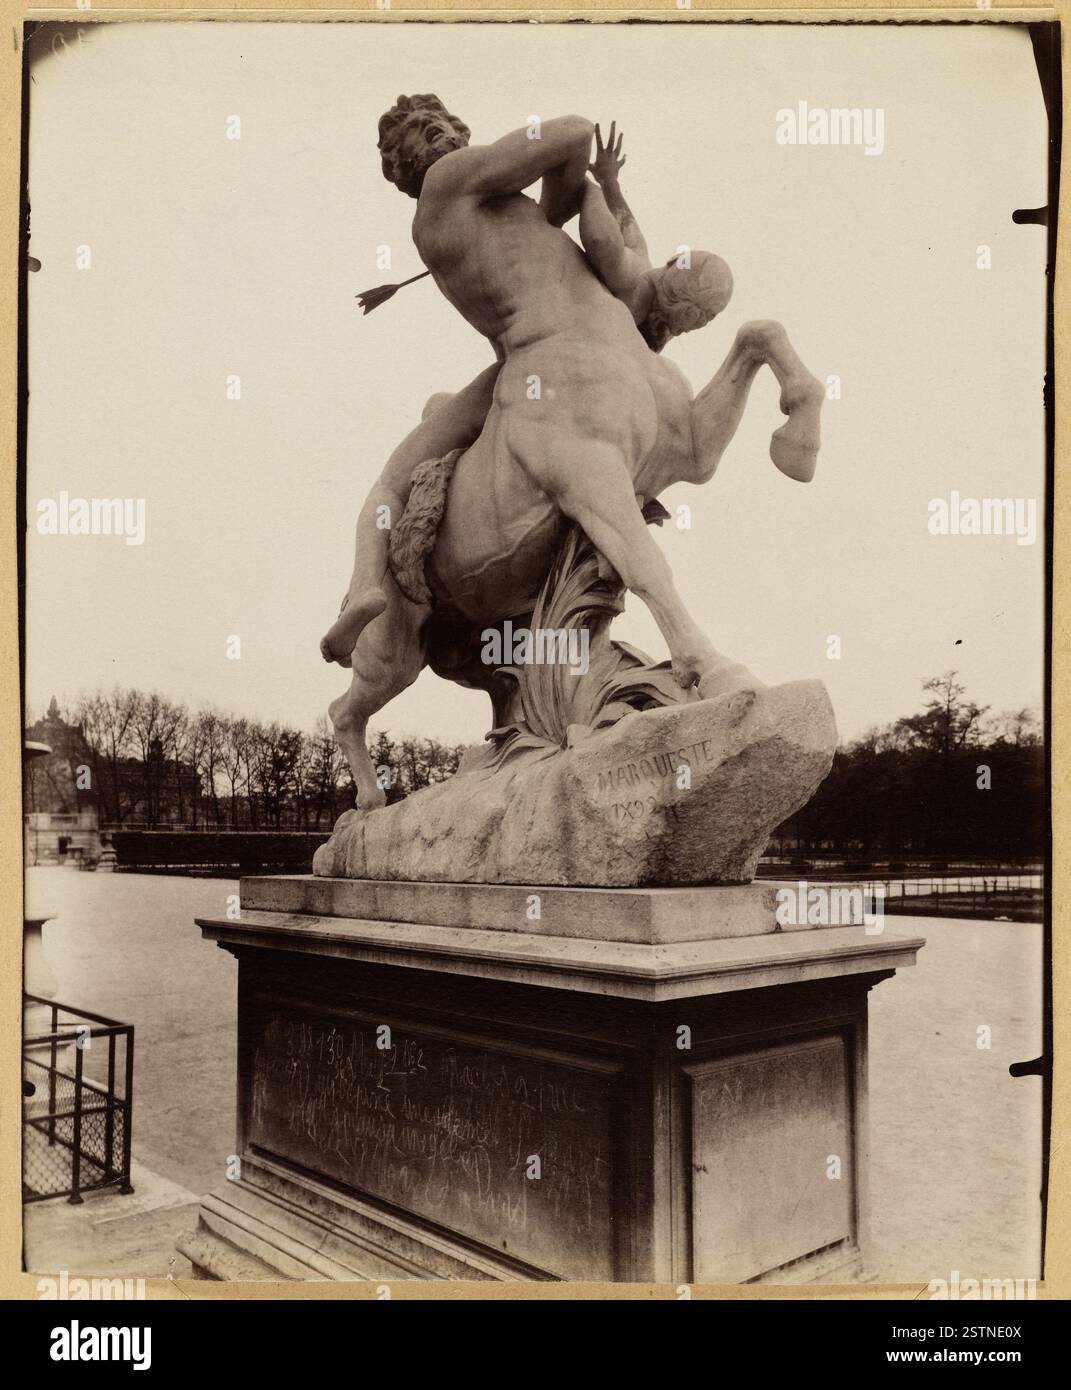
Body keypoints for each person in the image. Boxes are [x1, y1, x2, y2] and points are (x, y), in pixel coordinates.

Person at [320, 114, 733, 667]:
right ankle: (367, 586)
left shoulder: (490, 209)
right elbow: (572, 133)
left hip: (527, 360)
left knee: (401, 470)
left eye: (445, 122)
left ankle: (367, 581)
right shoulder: (447, 182)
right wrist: (568, 196)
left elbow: (614, 257)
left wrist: (595, 189)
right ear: (403, 165)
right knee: (395, 475)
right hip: (531, 353)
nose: (440, 133)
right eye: (422, 130)